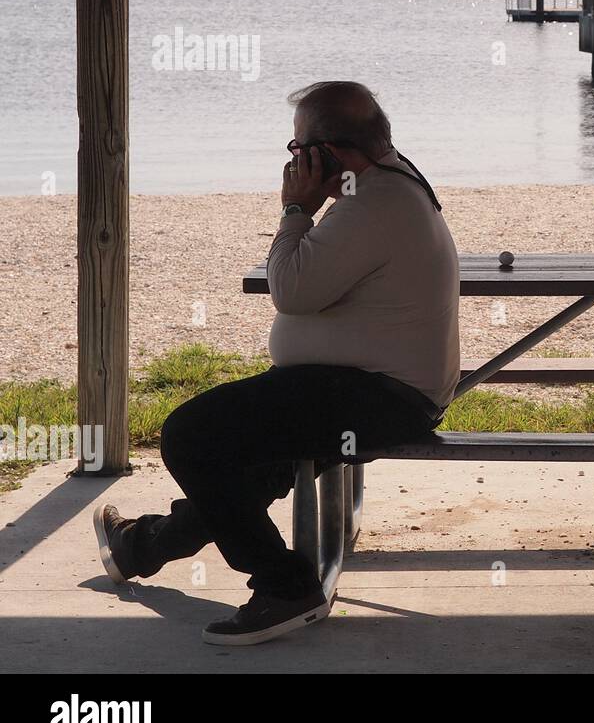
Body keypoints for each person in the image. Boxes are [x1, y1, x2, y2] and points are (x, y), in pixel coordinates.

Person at [92, 81, 460, 645]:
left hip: (380, 398)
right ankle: (140, 546)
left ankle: (285, 587)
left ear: (326, 153)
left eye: (296, 150)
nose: (291, 163)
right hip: (376, 390)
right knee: (245, 468)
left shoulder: (371, 205)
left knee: (190, 435)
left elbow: (289, 288)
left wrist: (295, 210)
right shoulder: (390, 182)